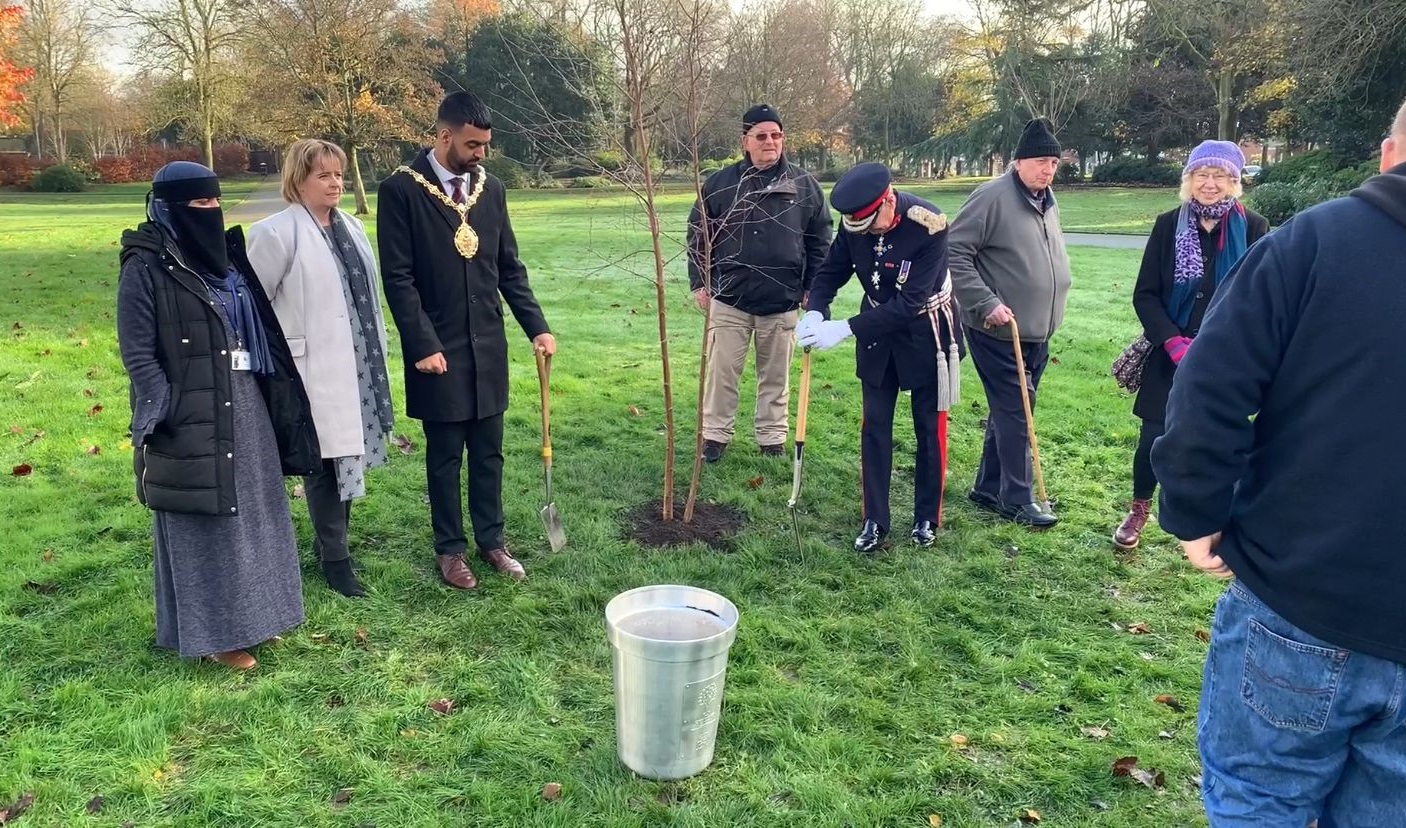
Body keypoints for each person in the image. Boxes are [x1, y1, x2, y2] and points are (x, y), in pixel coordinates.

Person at [1152, 98, 1406, 826]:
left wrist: (1196, 511)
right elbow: (1211, 378)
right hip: (1304, 596)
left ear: (1388, 155)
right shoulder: (1308, 243)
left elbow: (1212, 389)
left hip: (1300, 600)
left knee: (1259, 806)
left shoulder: (1308, 240)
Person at [116, 161, 319, 670]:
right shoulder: (145, 266)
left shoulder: (229, 261)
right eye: (197, 205)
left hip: (247, 398)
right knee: (205, 522)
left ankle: (261, 616)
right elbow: (138, 351)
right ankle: (217, 635)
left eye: (214, 202)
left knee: (256, 511)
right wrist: (165, 407)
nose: (209, 212)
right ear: (166, 207)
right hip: (189, 412)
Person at [378, 91, 555, 590]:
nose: (479, 154)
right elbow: (399, 278)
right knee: (445, 455)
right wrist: (422, 345)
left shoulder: (490, 189)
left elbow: (509, 269)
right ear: (443, 135)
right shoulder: (401, 191)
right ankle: (450, 549)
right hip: (438, 349)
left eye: (484, 145)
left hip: (487, 347)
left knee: (489, 452)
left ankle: (492, 541)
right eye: (472, 144)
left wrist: (536, 327)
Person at [247, 139, 395, 598]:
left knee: (348, 456)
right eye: (324, 176)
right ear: (299, 180)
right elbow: (255, 306)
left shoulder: (350, 226)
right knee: (325, 463)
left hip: (357, 366)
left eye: (339, 175)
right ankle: (336, 560)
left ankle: (331, 545)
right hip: (311, 369)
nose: (335, 183)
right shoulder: (275, 232)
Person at [798, 162, 962, 553]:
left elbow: (909, 304)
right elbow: (830, 272)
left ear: (889, 201)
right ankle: (875, 518)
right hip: (877, 337)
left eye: (872, 224)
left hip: (927, 332)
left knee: (929, 428)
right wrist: (816, 310)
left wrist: (844, 328)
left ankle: (926, 516)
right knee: (874, 427)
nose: (867, 233)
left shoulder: (930, 226)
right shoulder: (856, 224)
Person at [1111, 140, 1268, 551]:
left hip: (1223, 354)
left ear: (1235, 182)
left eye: (1219, 176)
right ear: (1188, 180)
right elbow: (1145, 294)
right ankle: (1140, 508)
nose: (1210, 184)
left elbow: (1256, 296)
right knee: (1154, 435)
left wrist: (1220, 342)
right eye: (1201, 175)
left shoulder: (1254, 226)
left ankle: (1213, 517)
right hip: (1169, 351)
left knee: (1217, 436)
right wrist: (1173, 341)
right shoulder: (1167, 225)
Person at [687, 103, 832, 462]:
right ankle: (715, 437)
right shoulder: (720, 184)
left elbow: (820, 241)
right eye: (762, 136)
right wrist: (699, 283)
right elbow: (698, 235)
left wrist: (813, 288)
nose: (771, 142)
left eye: (777, 135)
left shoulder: (805, 186)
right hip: (729, 297)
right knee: (721, 375)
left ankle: (771, 438)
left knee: (775, 377)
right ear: (745, 141)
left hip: (782, 300)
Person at [948, 117, 1071, 528]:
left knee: (1012, 409)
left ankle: (988, 487)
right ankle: (1017, 498)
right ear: (1018, 161)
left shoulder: (1047, 200)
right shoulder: (992, 197)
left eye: (1054, 162)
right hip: (996, 329)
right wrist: (985, 302)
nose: (1048, 169)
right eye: (1040, 161)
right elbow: (954, 252)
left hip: (1036, 330)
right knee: (1017, 409)